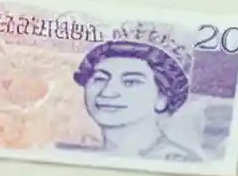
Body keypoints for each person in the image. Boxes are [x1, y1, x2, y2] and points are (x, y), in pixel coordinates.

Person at [69, 40, 200, 162]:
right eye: (100, 79)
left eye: (130, 82)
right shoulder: (78, 154)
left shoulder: (176, 160)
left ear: (163, 98)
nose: (107, 92)